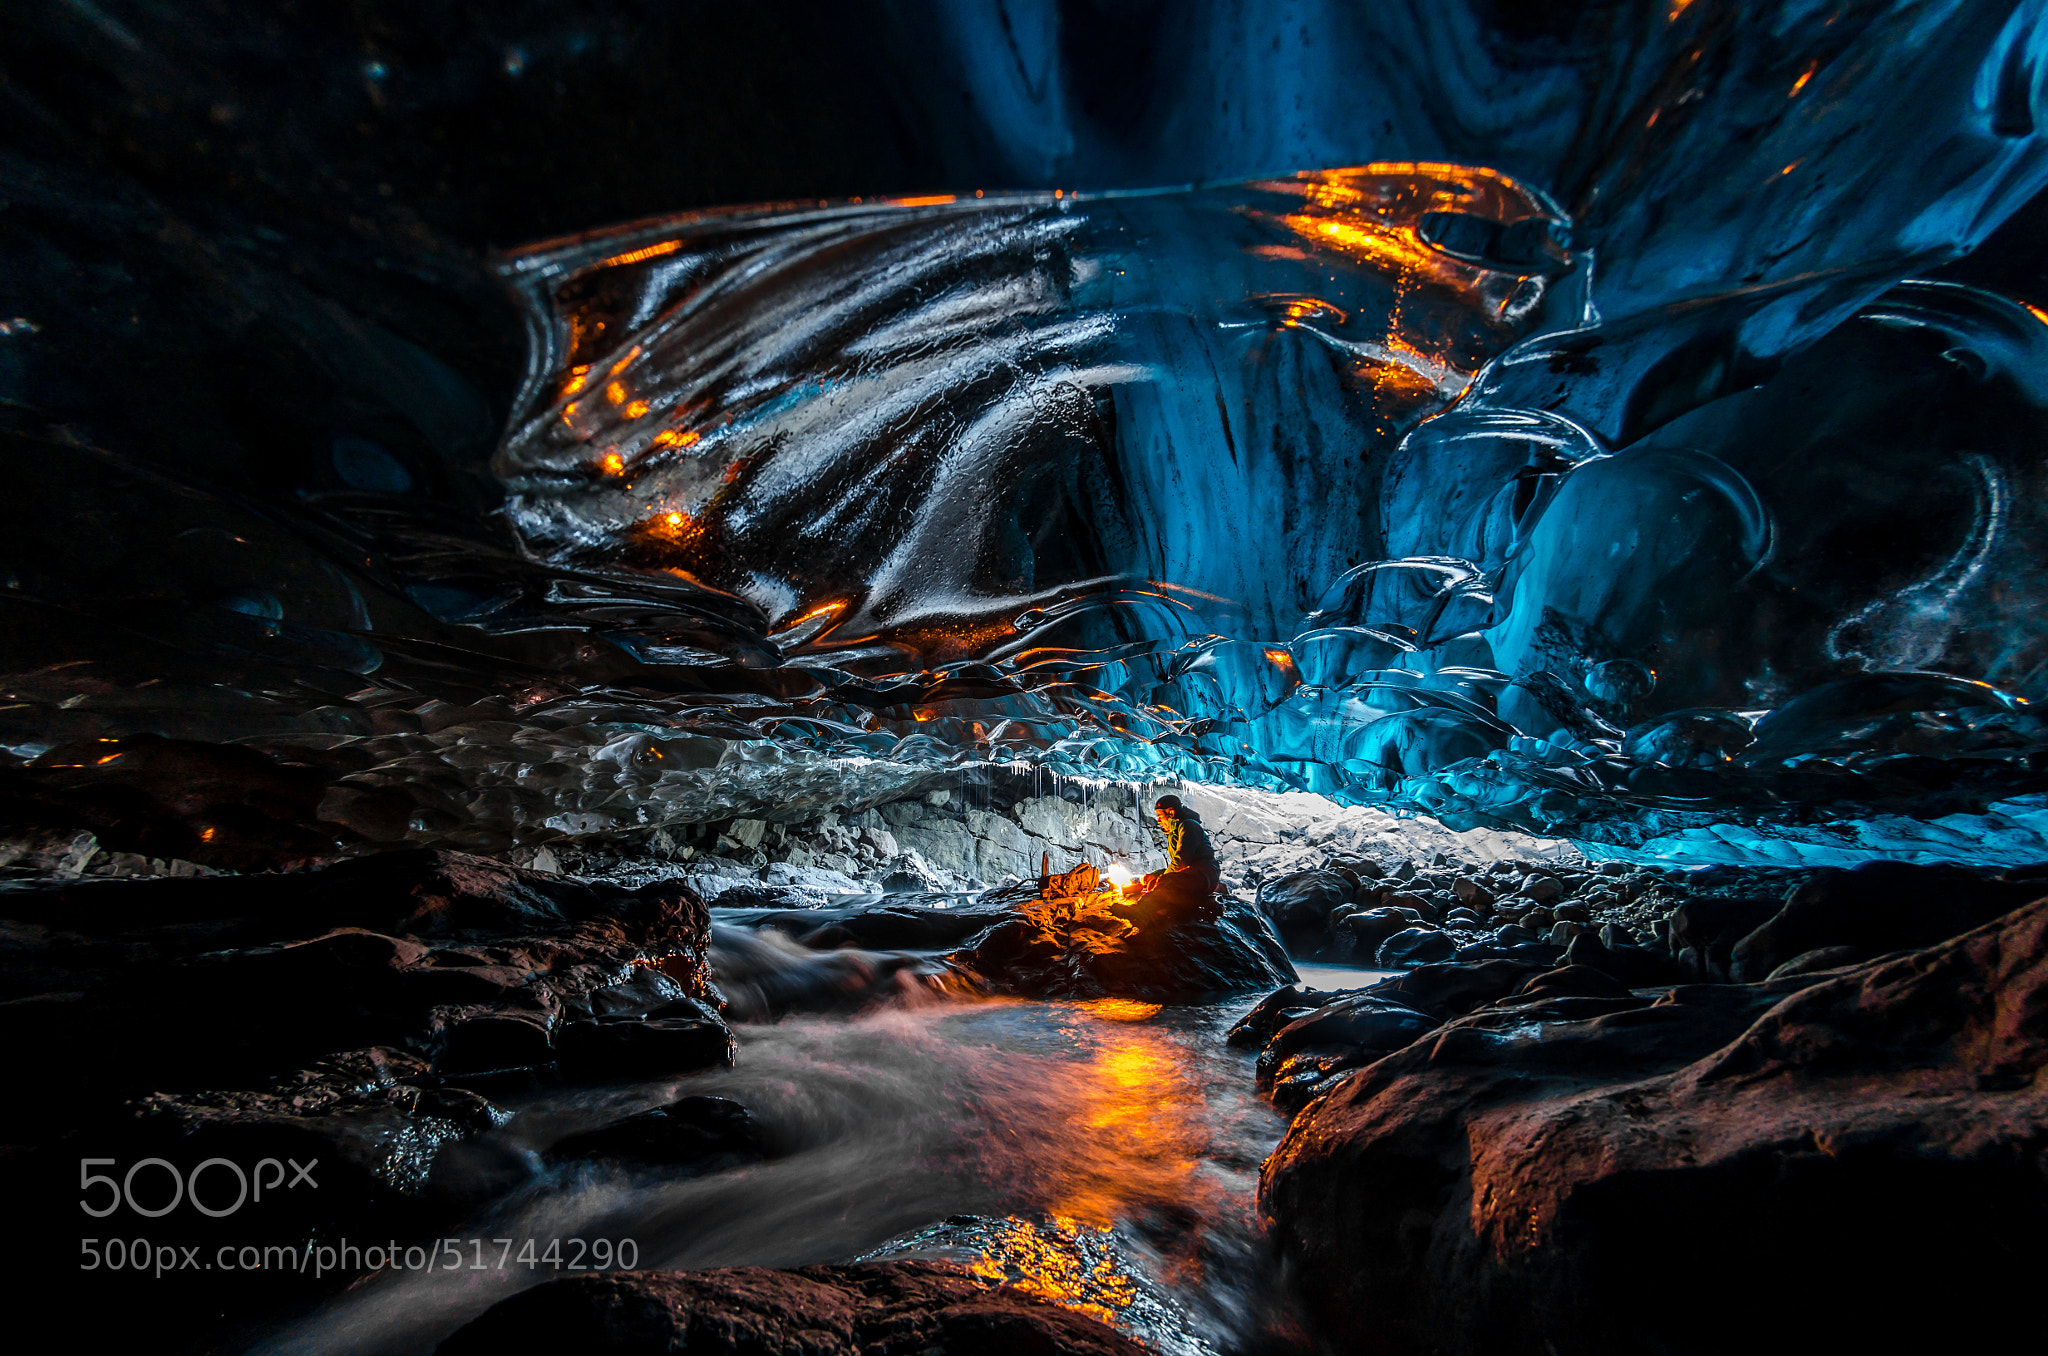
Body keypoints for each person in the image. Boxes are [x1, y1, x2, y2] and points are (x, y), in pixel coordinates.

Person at [1113, 793, 1222, 926]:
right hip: (1194, 874)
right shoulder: (1176, 830)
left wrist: (1161, 879)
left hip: (1204, 875)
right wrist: (1154, 876)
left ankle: (1140, 910)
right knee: (1157, 877)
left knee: (1166, 882)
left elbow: (1181, 862)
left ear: (1171, 812)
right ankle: (1141, 892)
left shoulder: (1189, 826)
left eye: (1159, 816)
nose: (1158, 821)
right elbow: (1179, 866)